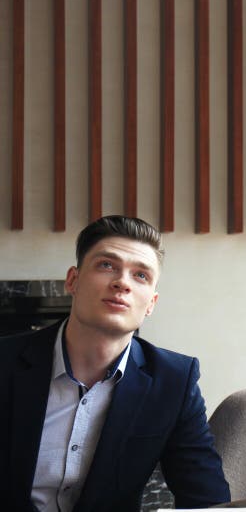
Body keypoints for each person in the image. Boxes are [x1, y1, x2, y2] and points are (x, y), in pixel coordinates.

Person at [0, 216, 230, 511]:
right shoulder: (6, 362)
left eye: (141, 276)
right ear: (73, 280)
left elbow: (208, 500)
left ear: (151, 303)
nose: (122, 282)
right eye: (107, 265)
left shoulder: (173, 381)